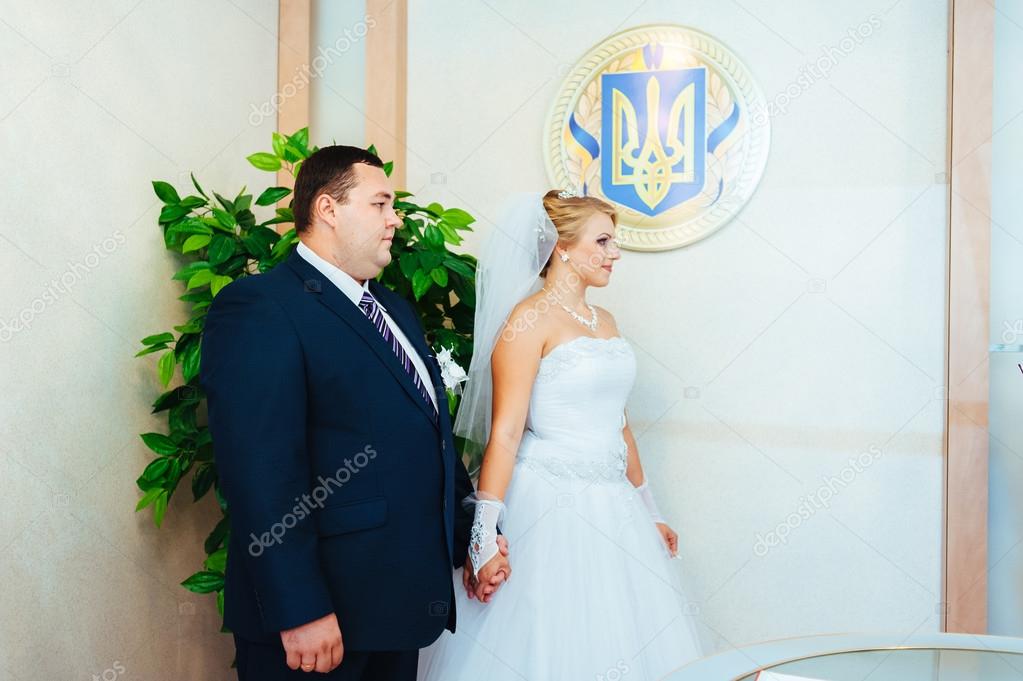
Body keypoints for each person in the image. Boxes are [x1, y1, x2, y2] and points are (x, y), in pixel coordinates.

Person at [200, 145, 509, 680]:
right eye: (381, 204)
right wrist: (300, 608)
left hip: (398, 609)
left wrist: (469, 540)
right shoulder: (260, 307)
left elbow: (429, 437)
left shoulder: (394, 309)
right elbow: (260, 475)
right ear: (327, 209)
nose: (396, 220)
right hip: (322, 620)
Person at [417, 191, 704, 680]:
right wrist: (484, 534)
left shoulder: (605, 321)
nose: (615, 253)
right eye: (604, 240)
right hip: (549, 503)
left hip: (615, 505)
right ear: (561, 247)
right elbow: (505, 432)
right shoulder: (526, 321)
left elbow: (621, 423)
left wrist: (650, 509)